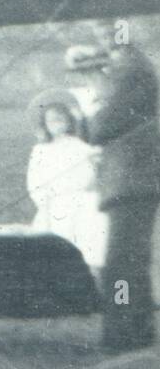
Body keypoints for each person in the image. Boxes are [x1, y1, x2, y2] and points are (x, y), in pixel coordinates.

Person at [74, 23, 160, 351]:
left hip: (131, 177)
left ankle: (124, 336)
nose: (103, 39)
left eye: (107, 32)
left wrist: (81, 122)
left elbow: (103, 125)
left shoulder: (127, 69)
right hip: (134, 176)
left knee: (122, 262)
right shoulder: (130, 65)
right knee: (129, 260)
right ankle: (135, 332)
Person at [26, 93, 107, 279]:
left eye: (61, 119)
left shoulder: (82, 148)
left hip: (82, 204)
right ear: (45, 124)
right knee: (53, 250)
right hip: (54, 206)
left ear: (69, 121)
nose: (57, 124)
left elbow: (92, 175)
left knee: (89, 247)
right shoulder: (40, 150)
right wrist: (44, 203)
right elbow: (35, 181)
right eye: (52, 121)